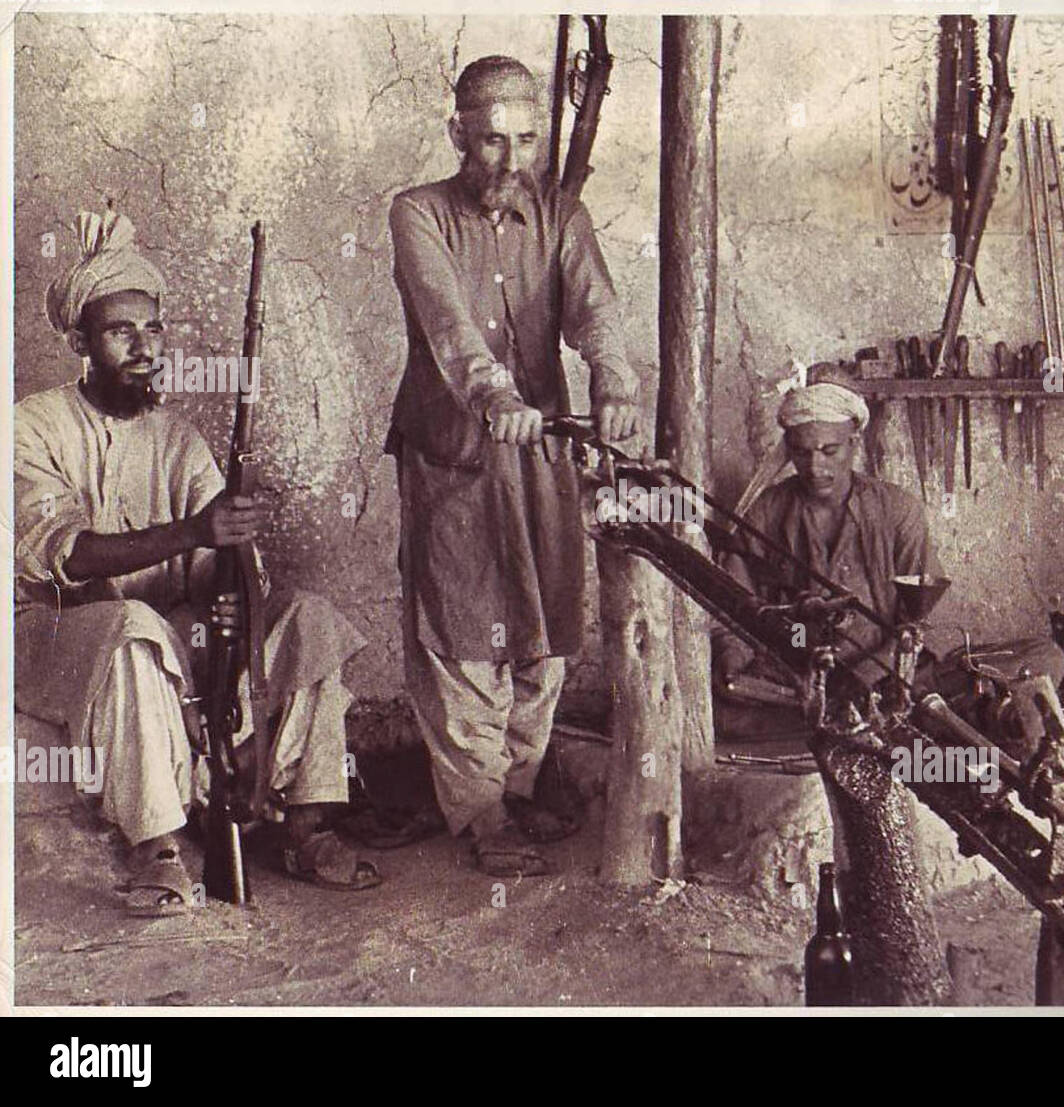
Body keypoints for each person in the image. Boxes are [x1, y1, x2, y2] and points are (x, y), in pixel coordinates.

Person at [15, 209, 379, 917]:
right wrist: (194, 532)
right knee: (131, 627)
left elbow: (221, 560)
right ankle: (155, 844)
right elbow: (74, 556)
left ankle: (307, 820)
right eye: (122, 333)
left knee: (307, 618)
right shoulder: (30, 425)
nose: (145, 347)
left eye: (153, 330)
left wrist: (230, 569)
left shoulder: (178, 438)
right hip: (57, 633)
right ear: (80, 341)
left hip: (168, 625)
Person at [715, 379, 1064, 1005]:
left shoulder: (896, 508)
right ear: (788, 450)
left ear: (855, 444)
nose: (817, 465)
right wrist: (798, 627)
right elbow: (742, 618)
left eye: (831, 450)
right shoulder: (765, 514)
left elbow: (912, 618)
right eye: (804, 451)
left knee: (1042, 658)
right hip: (807, 684)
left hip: (895, 675)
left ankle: (990, 726)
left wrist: (890, 654)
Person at [385, 55, 640, 876]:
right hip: (453, 448)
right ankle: (480, 808)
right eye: (491, 140)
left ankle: (523, 782)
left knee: (546, 618)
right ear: (457, 132)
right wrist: (491, 394)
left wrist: (615, 379)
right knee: (460, 625)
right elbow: (448, 325)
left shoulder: (564, 215)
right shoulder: (417, 213)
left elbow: (595, 309)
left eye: (525, 139)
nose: (510, 159)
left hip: (541, 448)